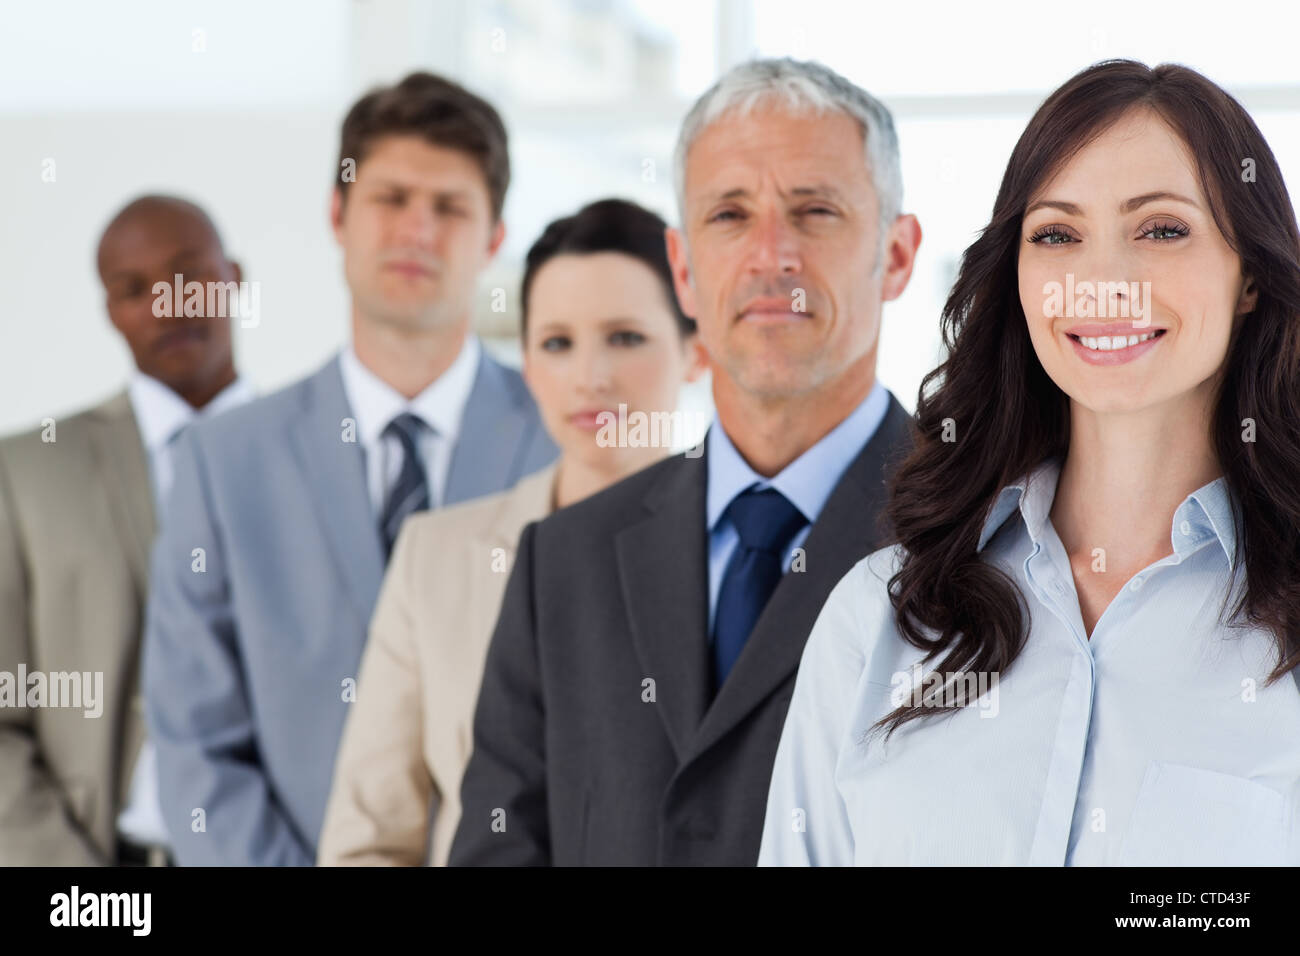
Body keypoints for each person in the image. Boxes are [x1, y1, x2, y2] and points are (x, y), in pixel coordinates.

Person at [759, 59, 1300, 867]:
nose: (1103, 282)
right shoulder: (875, 618)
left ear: (1250, 274)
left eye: (1161, 229)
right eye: (1057, 235)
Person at [449, 58, 921, 867]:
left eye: (815, 210)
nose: (771, 255)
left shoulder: (992, 542)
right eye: (730, 215)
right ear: (682, 269)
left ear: (899, 255)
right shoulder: (563, 561)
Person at [143, 72, 557, 866]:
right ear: (338, 214)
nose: (417, 231)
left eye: (450, 208)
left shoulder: (564, 444)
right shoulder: (223, 463)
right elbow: (196, 749)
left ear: (495, 238)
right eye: (391, 198)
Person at [317, 198, 706, 866]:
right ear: (526, 364)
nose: (591, 378)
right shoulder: (436, 557)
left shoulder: (747, 549)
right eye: (557, 343)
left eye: (626, 337)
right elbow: (369, 835)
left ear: (695, 352)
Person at [0, 195, 255, 865]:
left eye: (188, 275)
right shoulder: (26, 470)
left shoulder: (324, 454)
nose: (167, 304)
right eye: (134, 289)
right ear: (109, 312)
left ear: (236, 277)